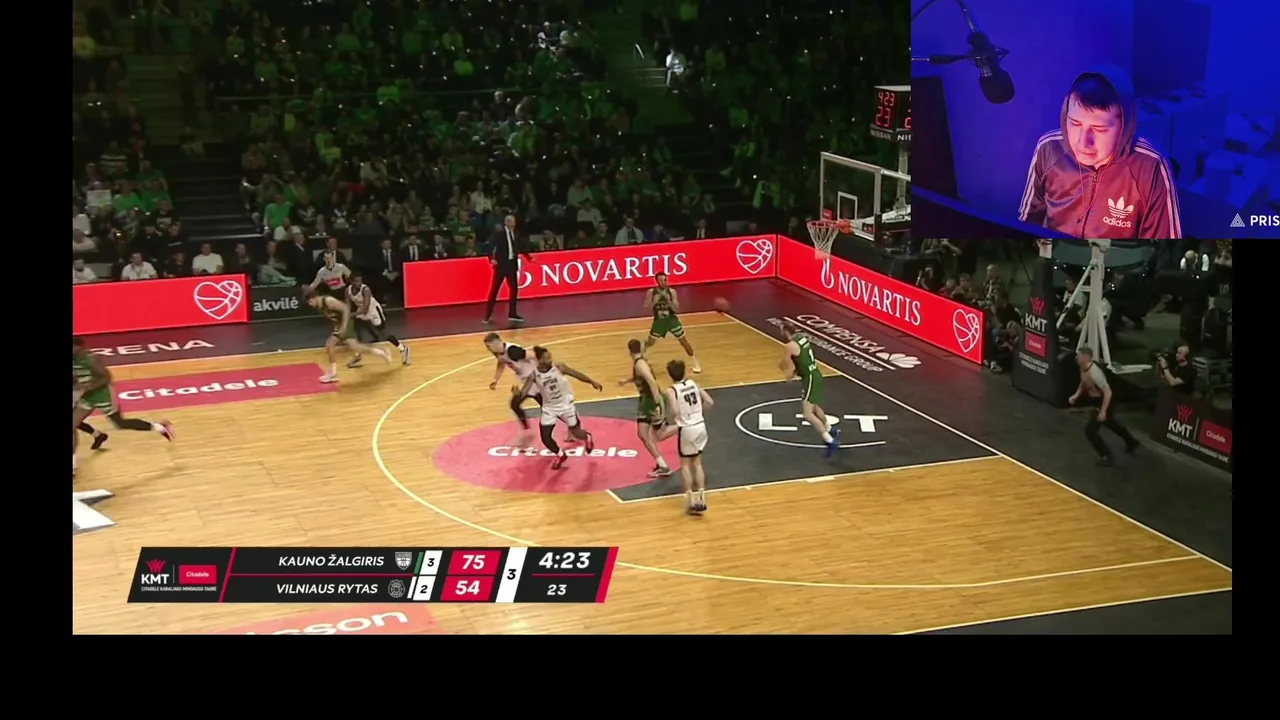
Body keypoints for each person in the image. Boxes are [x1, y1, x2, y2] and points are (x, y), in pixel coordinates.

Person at [1018, 66, 1182, 239]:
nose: (1083, 142)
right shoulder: (1049, 148)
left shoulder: (1151, 167)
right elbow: (1026, 223)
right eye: (1075, 123)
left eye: (1099, 129)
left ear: (1124, 126)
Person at [73, 337, 174, 477]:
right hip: (86, 396)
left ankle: (160, 427)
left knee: (120, 423)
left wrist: (86, 389)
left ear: (78, 347)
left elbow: (106, 378)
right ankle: (73, 465)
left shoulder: (91, 359)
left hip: (102, 395)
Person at [521, 346, 602, 469]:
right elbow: (525, 391)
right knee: (545, 438)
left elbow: (576, 374)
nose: (550, 360)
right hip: (549, 408)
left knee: (576, 433)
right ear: (540, 360)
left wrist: (591, 381)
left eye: (550, 357)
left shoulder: (559, 367)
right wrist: (519, 393)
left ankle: (587, 437)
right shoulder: (534, 375)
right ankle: (560, 454)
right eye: (547, 358)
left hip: (566, 405)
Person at [655, 359, 713, 515]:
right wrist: (697, 413)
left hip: (687, 429)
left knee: (685, 465)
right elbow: (709, 401)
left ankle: (691, 501)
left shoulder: (672, 391)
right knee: (698, 463)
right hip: (700, 426)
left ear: (670, 374)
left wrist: (669, 419)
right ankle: (702, 498)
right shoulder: (693, 383)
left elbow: (674, 411)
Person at [1069, 347, 1140, 466]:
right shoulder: (1083, 367)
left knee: (1090, 431)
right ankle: (1131, 441)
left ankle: (1106, 456)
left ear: (1086, 357)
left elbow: (1108, 392)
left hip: (1104, 400)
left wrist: (1103, 411)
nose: (1077, 358)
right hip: (1095, 400)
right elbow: (1083, 381)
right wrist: (1076, 395)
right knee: (1110, 423)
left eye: (1079, 356)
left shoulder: (1095, 373)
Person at [779, 320, 840, 457]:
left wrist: (787, 372)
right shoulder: (802, 338)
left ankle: (830, 441)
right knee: (815, 407)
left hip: (810, 379)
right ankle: (830, 429)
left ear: (785, 331)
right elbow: (803, 358)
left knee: (807, 414)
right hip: (815, 374)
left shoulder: (790, 346)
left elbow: (787, 364)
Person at [306, 287, 389, 383]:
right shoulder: (320, 305)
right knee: (355, 347)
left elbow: (345, 308)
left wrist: (344, 326)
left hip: (345, 323)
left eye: (310, 302)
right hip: (340, 324)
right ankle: (380, 352)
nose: (310, 304)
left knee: (330, 344)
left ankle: (333, 374)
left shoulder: (328, 301)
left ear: (314, 297)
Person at [619, 338, 671, 478]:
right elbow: (642, 377)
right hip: (647, 401)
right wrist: (628, 380)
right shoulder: (640, 362)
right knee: (645, 434)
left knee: (656, 435)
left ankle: (681, 425)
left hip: (650, 401)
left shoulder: (640, 364)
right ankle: (662, 465)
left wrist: (657, 403)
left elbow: (652, 382)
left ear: (629, 351)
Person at [485, 332, 542, 447]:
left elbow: (533, 355)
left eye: (489, 346)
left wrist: (545, 372)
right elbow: (501, 363)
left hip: (535, 380)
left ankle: (572, 426)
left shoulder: (513, 351)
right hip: (526, 381)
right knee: (515, 404)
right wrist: (496, 379)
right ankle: (527, 430)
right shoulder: (498, 353)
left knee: (548, 407)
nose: (488, 349)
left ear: (496, 343)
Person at [346, 272, 410, 367]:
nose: (359, 284)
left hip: (372, 310)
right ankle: (358, 354)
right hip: (360, 310)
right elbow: (347, 304)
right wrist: (346, 313)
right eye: (356, 282)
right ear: (351, 282)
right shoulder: (348, 290)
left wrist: (352, 314)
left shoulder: (366, 290)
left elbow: (366, 309)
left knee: (384, 334)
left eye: (360, 281)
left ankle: (403, 349)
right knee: (357, 331)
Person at [643, 272, 701, 372]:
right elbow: (646, 307)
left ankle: (696, 364)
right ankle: (641, 358)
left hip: (672, 321)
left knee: (683, 341)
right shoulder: (651, 292)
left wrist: (669, 300)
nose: (663, 282)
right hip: (659, 322)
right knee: (650, 342)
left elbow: (676, 308)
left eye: (665, 280)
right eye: (661, 280)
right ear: (657, 281)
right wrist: (654, 302)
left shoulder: (671, 292)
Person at [484, 214, 535, 325]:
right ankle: (488, 315)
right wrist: (491, 258)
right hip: (501, 266)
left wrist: (529, 258)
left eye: (514, 222)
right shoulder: (499, 234)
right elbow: (490, 246)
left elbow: (520, 247)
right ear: (506, 222)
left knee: (514, 289)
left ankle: (512, 313)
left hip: (512, 265)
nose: (513, 224)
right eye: (511, 222)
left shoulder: (516, 233)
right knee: (495, 290)